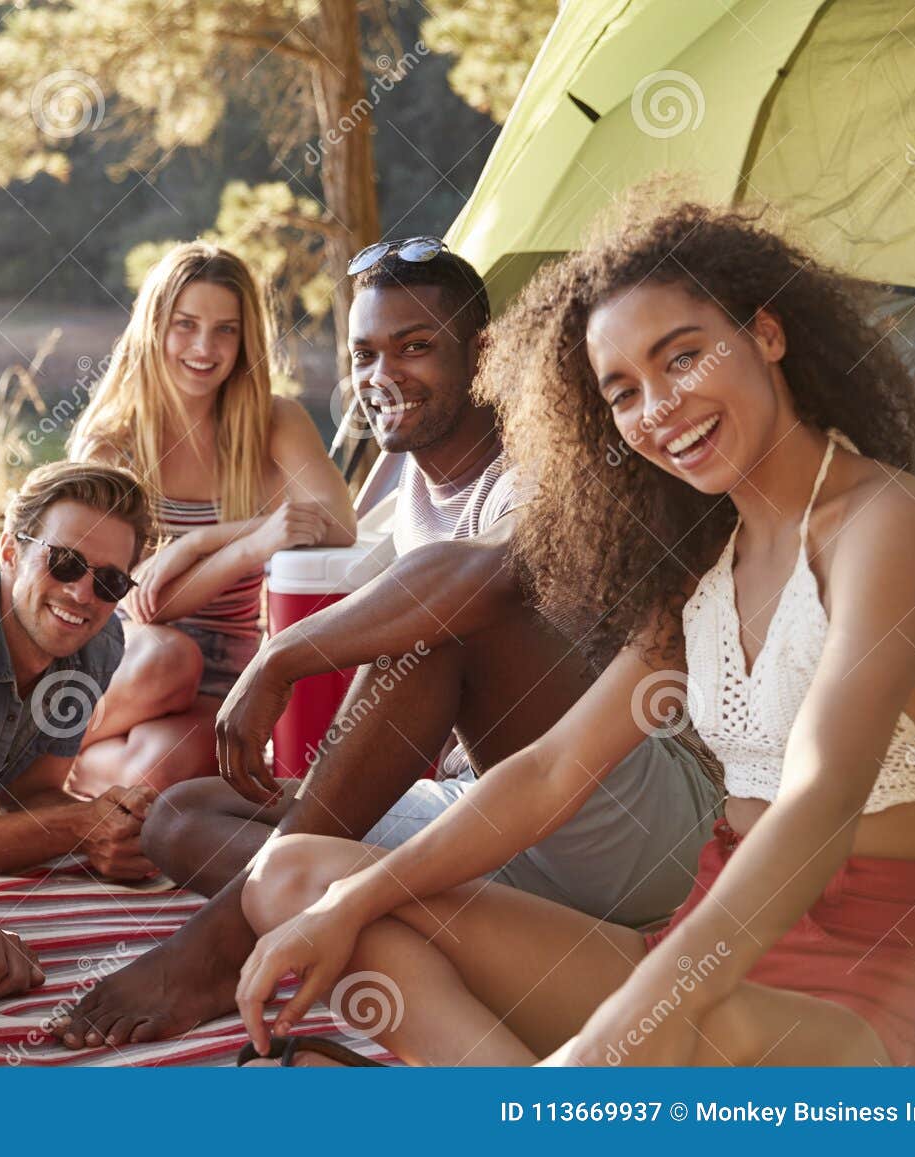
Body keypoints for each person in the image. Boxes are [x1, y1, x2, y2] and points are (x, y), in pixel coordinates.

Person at [236, 201, 915, 1067]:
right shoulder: (710, 559)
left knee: (672, 1034)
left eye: (683, 357)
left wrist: (625, 1024)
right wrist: (352, 902)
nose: (659, 408)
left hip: (859, 1012)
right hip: (696, 963)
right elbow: (552, 771)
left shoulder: (887, 523)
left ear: (767, 334)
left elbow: (819, 803)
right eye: (623, 391)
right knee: (294, 882)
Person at [54, 239, 720, 1049]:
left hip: (624, 814)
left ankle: (221, 942)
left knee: (444, 628)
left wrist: (279, 657)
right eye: (365, 353)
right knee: (182, 816)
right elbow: (342, 566)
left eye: (414, 347)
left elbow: (480, 582)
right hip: (485, 812)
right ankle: (388, 911)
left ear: (483, 355)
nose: (382, 375)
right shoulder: (407, 476)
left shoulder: (545, 458)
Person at [64, 241, 355, 794]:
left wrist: (198, 543)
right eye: (186, 325)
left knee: (156, 776)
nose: (205, 347)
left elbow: (339, 524)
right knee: (169, 657)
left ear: (246, 340)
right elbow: (143, 601)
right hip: (128, 664)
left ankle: (66, 771)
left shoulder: (276, 423)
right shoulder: (113, 444)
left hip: (223, 677)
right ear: (155, 327)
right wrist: (251, 545)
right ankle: (36, 759)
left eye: (226, 329)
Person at [0, 460, 158, 999]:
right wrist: (79, 826)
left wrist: (113, 822)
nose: (83, 595)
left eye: (110, 581)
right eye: (65, 563)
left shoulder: (98, 645)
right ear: (8, 551)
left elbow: (30, 795)